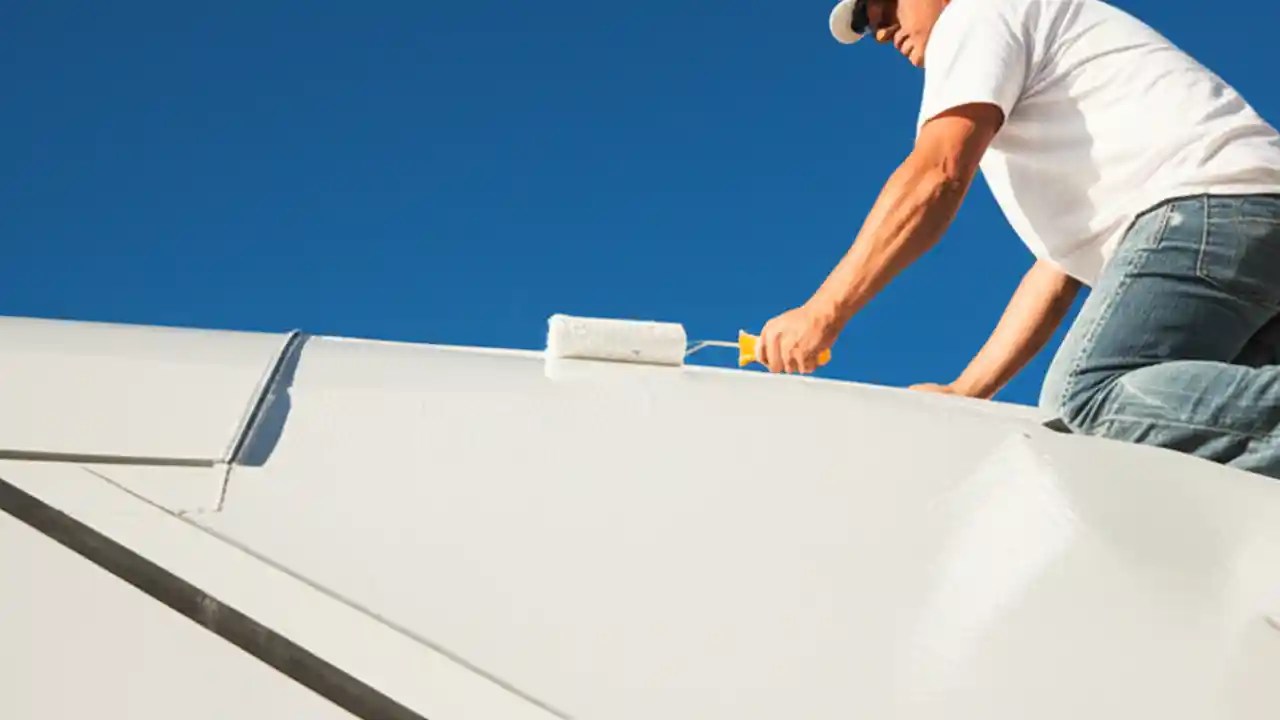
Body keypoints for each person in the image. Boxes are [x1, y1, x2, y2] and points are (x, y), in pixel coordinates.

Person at [756, 0, 1280, 478]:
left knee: (1085, 400)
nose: (879, 27)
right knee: (1223, 440)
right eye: (869, 21)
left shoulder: (975, 15)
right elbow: (1057, 271)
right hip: (1244, 220)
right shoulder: (1038, 77)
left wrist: (824, 311)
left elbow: (937, 172)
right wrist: (967, 391)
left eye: (884, 4)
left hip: (1209, 210)